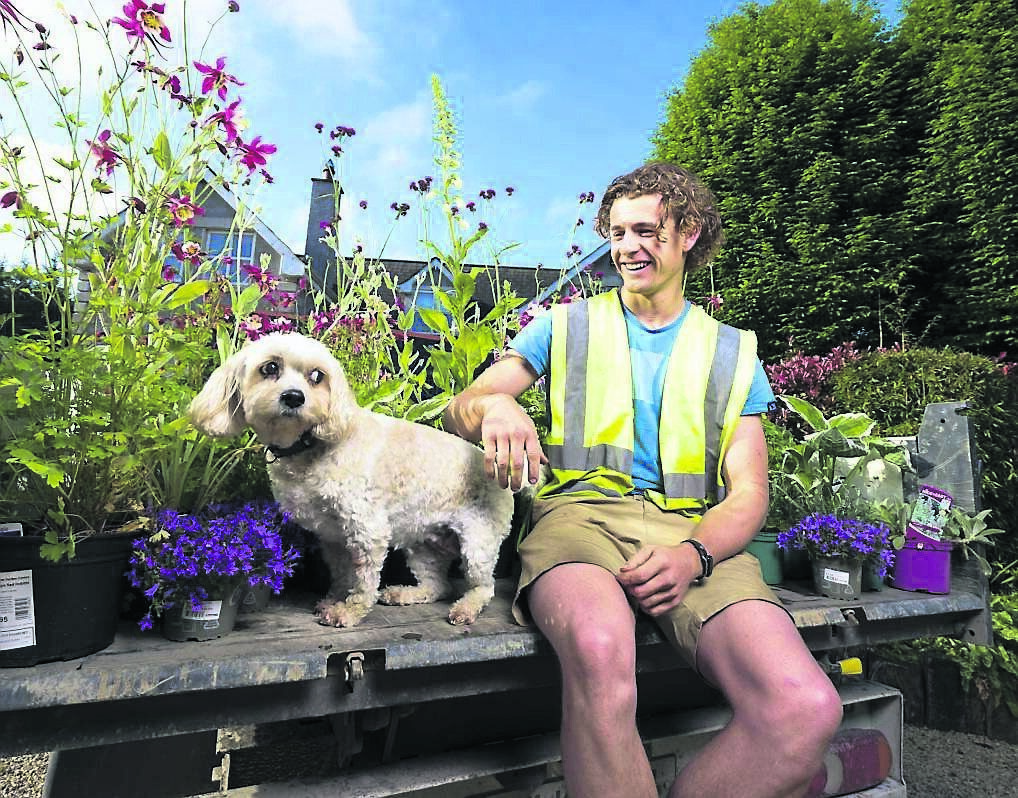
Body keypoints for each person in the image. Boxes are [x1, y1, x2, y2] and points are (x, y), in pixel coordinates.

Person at [444, 162, 843, 798]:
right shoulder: (565, 325)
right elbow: (462, 406)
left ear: (688, 233)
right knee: (601, 649)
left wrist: (694, 554)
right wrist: (494, 405)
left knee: (804, 709)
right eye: (619, 231)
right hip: (578, 521)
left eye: (648, 231)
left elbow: (749, 493)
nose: (628, 247)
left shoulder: (733, 352)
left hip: (694, 536)